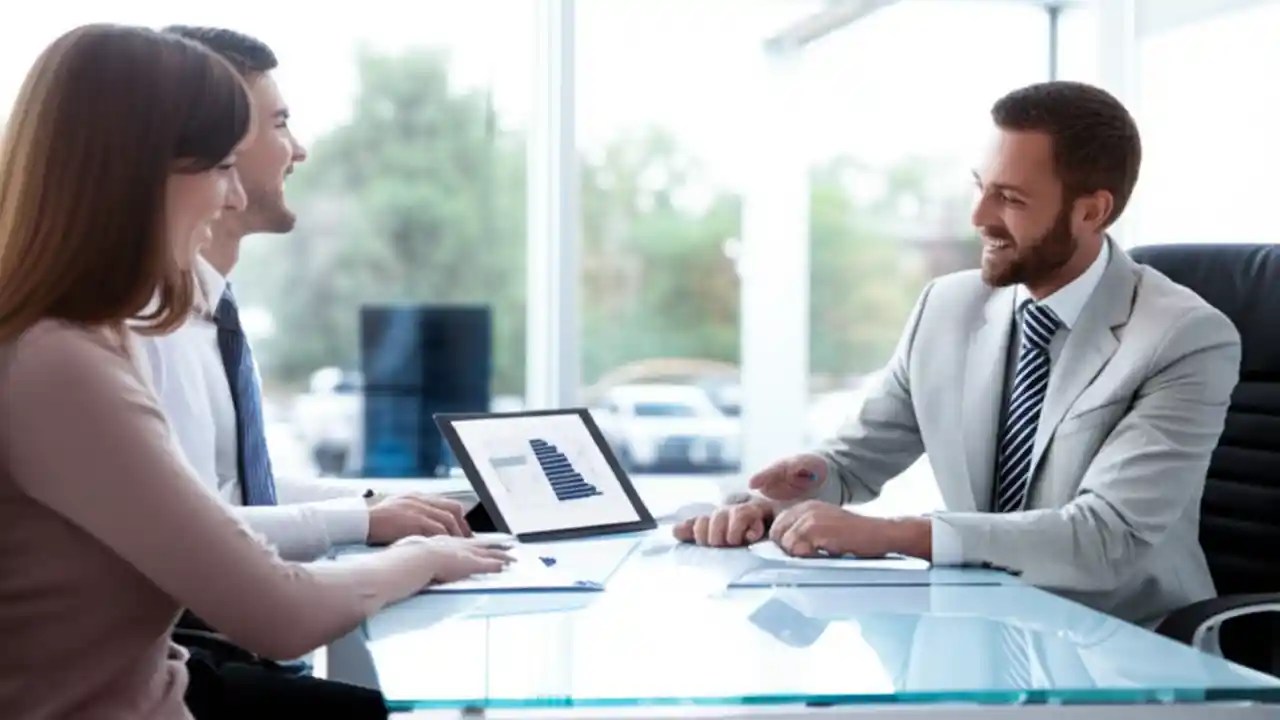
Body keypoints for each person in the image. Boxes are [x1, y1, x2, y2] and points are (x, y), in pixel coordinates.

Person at [0, 24, 511, 720]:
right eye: (218, 168)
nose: (232, 198)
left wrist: (390, 521)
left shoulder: (77, 344)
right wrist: (422, 558)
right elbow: (279, 612)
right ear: (141, 172)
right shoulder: (59, 364)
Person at [675, 81, 1241, 627]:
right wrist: (787, 499)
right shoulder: (946, 307)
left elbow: (1104, 538)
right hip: (978, 628)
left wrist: (895, 534)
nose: (979, 217)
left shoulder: (1183, 337)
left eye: (1011, 199)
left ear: (1092, 212)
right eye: (981, 187)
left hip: (1126, 651)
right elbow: (854, 462)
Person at [140, 26, 469, 566]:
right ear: (217, 142)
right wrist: (366, 522)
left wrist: (377, 505)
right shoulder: (149, 324)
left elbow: (240, 487)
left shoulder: (208, 311)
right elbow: (193, 527)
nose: (299, 150)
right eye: (281, 124)